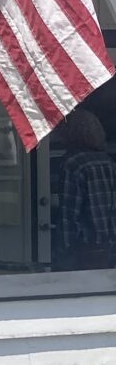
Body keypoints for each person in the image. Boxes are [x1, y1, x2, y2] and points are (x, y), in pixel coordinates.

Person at [56, 106, 116, 270]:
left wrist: (64, 251)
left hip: (84, 249)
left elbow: (68, 215)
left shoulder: (72, 164)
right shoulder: (108, 162)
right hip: (110, 247)